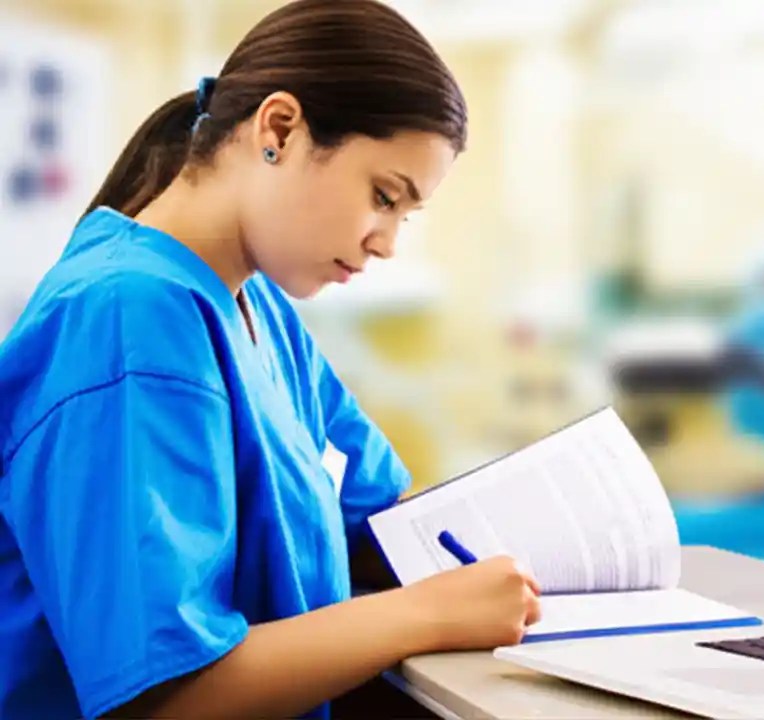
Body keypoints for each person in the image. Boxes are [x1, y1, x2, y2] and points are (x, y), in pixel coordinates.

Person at [0, 1, 541, 718]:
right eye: (383, 197)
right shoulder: (126, 317)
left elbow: (378, 522)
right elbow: (165, 698)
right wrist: (430, 614)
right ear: (279, 130)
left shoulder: (260, 309)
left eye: (405, 215)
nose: (386, 244)